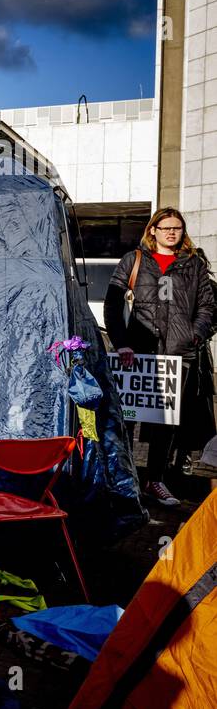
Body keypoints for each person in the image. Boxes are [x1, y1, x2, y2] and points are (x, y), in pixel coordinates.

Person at [104, 207, 216, 505]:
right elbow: (113, 304)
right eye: (165, 227)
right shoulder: (134, 259)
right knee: (127, 418)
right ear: (153, 230)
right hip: (137, 354)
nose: (171, 232)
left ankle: (155, 481)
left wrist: (194, 335)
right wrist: (122, 342)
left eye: (176, 228)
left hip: (177, 355)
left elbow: (207, 306)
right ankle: (124, 480)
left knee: (166, 423)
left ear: (182, 231)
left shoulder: (194, 264)